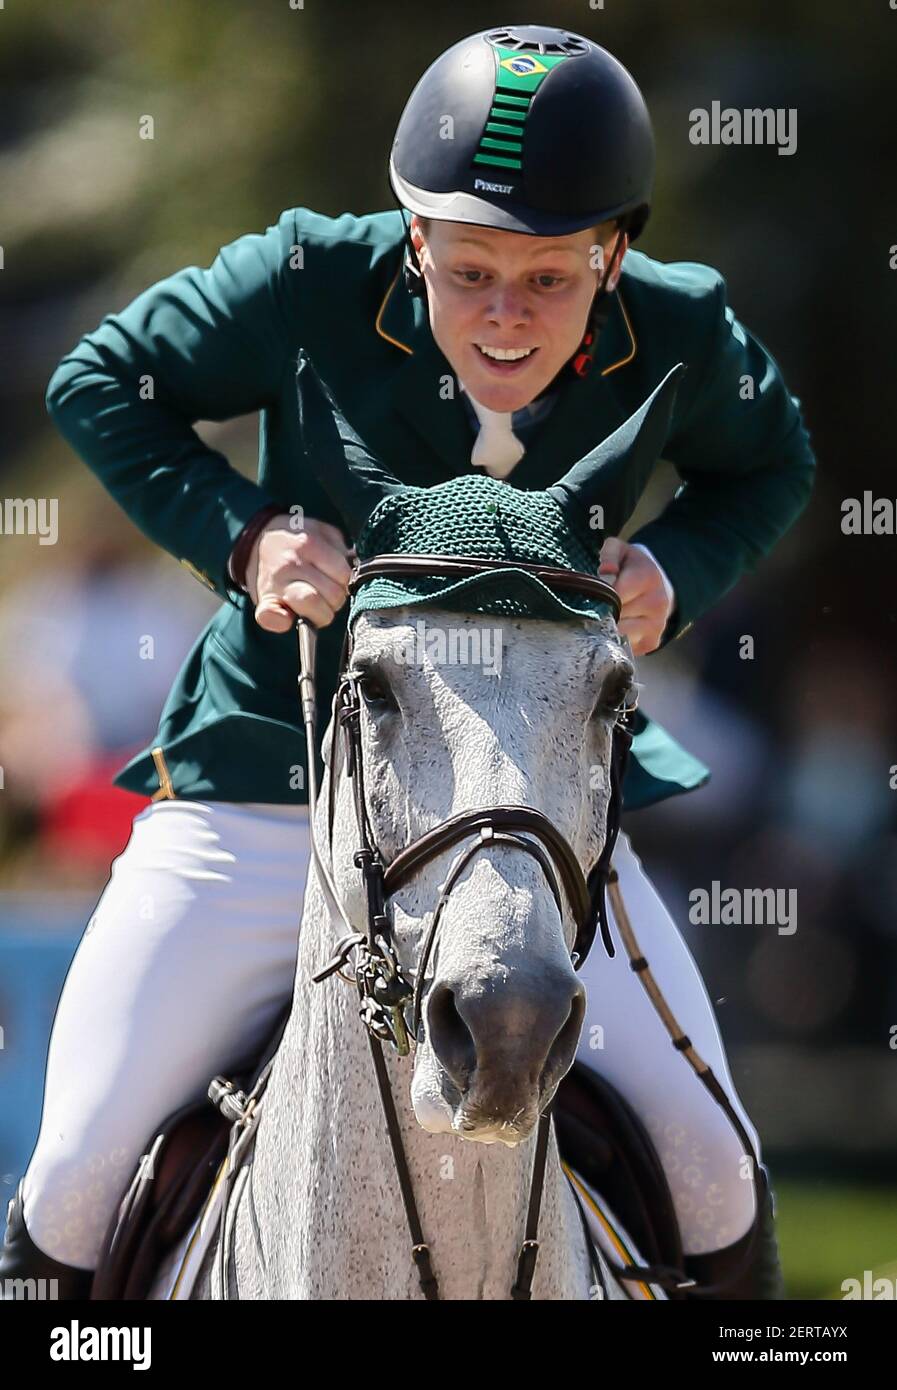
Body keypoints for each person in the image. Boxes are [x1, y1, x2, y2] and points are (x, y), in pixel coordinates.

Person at [1, 24, 814, 1300]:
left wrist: (679, 568)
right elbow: (103, 380)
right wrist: (245, 533)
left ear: (613, 252)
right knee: (74, 1172)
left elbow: (771, 463)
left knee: (718, 1168)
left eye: (550, 278)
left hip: (539, 826)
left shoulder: (681, 326)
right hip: (268, 799)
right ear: (414, 235)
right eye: (470, 268)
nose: (503, 318)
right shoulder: (306, 276)